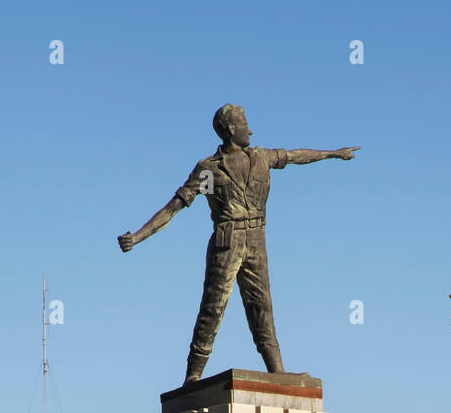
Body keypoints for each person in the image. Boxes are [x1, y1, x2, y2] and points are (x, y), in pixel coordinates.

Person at [118, 104, 359, 383]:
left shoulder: (261, 158)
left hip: (256, 239)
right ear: (232, 129)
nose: (251, 130)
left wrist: (333, 154)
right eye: (245, 124)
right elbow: (175, 206)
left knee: (262, 304)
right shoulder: (208, 170)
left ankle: (277, 370)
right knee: (213, 307)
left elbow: (295, 156)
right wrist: (137, 236)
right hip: (226, 242)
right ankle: (193, 376)